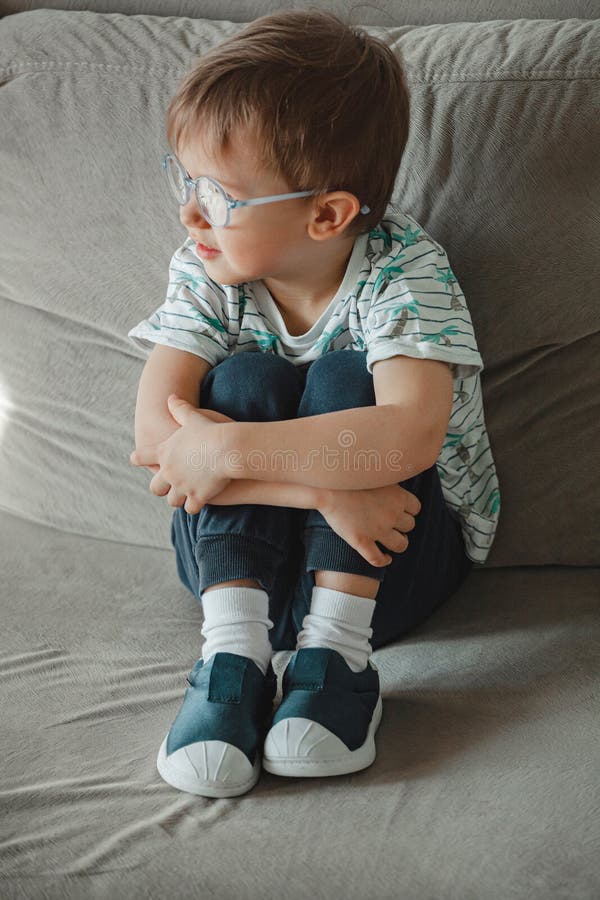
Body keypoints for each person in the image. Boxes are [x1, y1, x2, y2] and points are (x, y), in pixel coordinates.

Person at [127, 10, 501, 799]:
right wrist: (325, 490)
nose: (189, 213)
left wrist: (228, 454)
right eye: (183, 180)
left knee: (344, 381)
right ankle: (230, 663)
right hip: (246, 576)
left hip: (390, 559)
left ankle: (338, 663)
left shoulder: (404, 273)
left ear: (326, 214)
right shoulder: (204, 266)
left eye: (218, 196)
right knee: (244, 383)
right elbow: (158, 437)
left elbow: (408, 436)